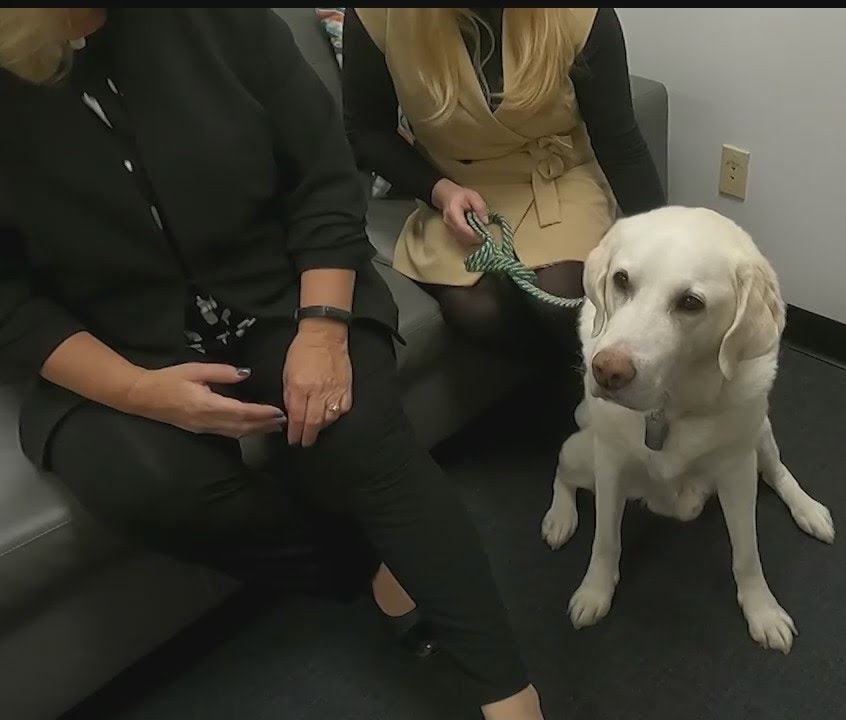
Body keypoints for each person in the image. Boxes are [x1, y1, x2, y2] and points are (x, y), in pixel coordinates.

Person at [0, 9, 545, 719]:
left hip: (280, 284)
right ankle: (362, 556)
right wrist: (140, 392)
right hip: (112, 336)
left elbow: (321, 175)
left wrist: (321, 331)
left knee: (358, 430)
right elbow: (9, 302)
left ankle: (510, 697)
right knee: (151, 487)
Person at [342, 7, 666, 366]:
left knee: (559, 295)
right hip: (455, 186)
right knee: (478, 310)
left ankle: (595, 394)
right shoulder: (377, 14)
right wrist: (439, 190)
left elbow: (619, 142)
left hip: (554, 177)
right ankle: (555, 391)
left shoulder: (582, 14)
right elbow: (367, 131)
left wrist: (666, 243)